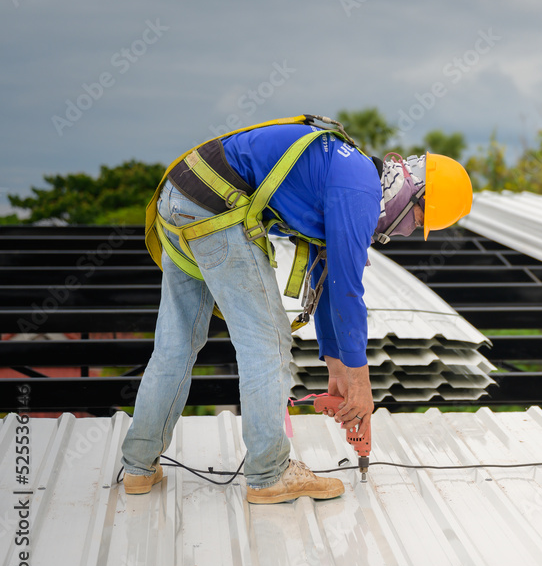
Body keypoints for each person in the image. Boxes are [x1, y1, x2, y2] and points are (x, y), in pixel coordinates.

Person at [120, 116, 473, 503]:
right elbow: (347, 291)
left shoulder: (351, 173)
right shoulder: (360, 192)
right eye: (419, 222)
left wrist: (338, 368)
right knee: (268, 345)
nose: (407, 231)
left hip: (180, 194)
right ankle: (268, 474)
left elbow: (326, 277)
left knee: (176, 343)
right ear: (415, 195)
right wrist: (360, 385)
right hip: (215, 207)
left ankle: (138, 467)